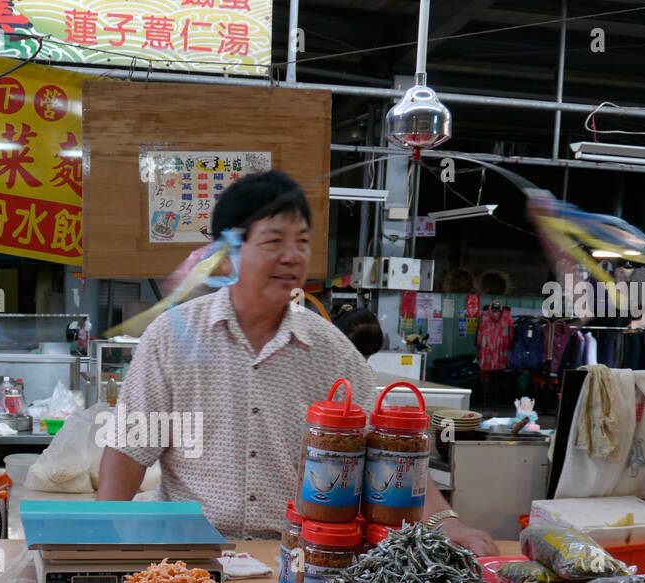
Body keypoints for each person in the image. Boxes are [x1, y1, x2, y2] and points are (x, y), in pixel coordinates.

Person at [96, 170, 497, 556]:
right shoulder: (173, 337)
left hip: (301, 556)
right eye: (273, 241)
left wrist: (447, 522)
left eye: (302, 242)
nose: (292, 256)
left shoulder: (332, 351)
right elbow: (129, 452)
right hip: (190, 554)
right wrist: (95, 544)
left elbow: (392, 456)